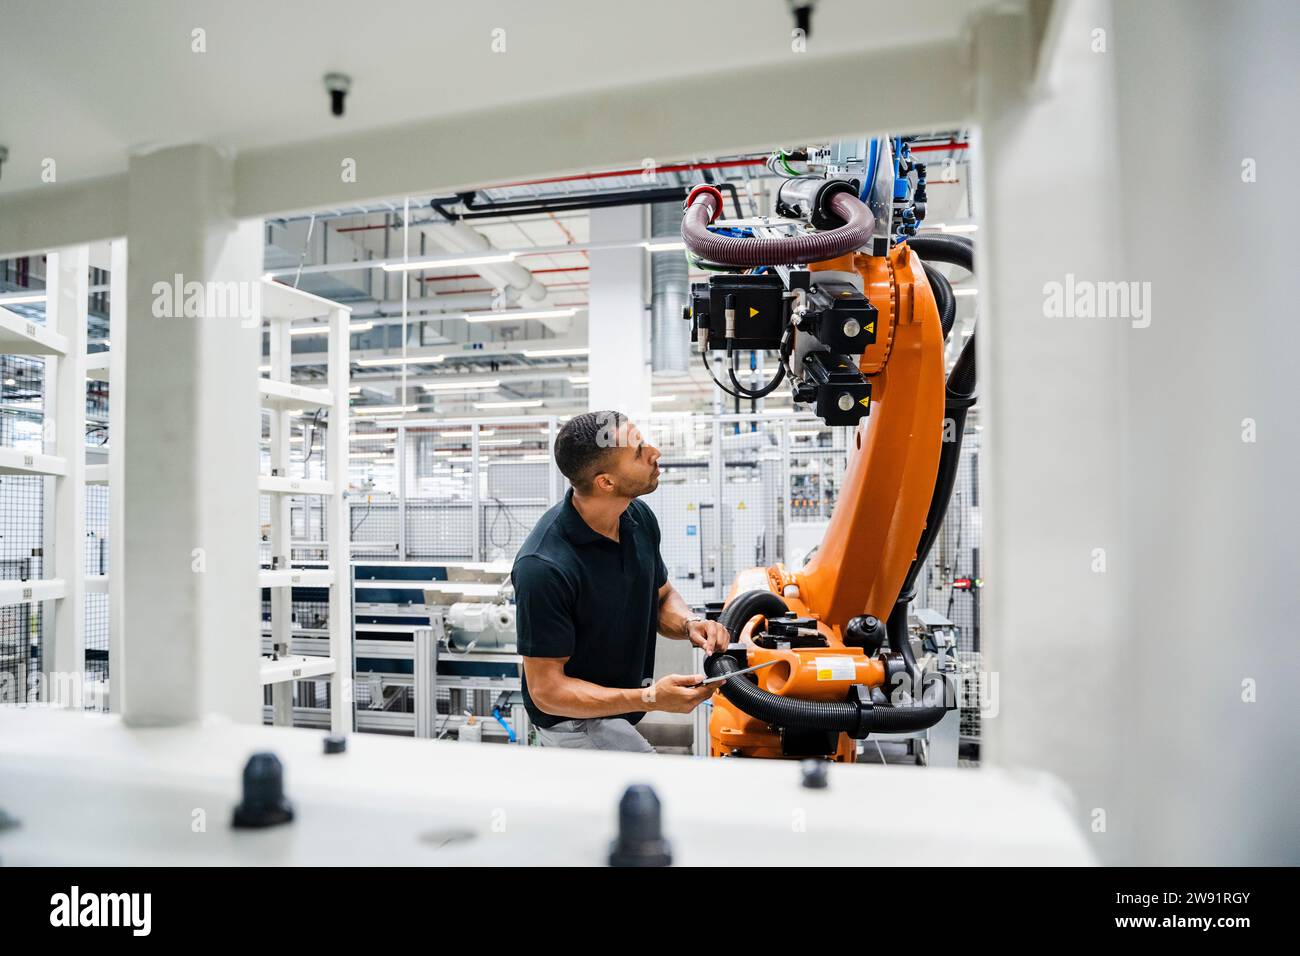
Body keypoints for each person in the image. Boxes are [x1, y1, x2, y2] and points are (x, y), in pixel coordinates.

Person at [512, 410, 731, 752]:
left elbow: (661, 596)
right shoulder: (543, 566)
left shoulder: (636, 516)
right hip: (574, 723)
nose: (654, 452)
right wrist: (651, 697)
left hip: (621, 711)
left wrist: (690, 623)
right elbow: (547, 692)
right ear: (606, 482)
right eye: (638, 450)